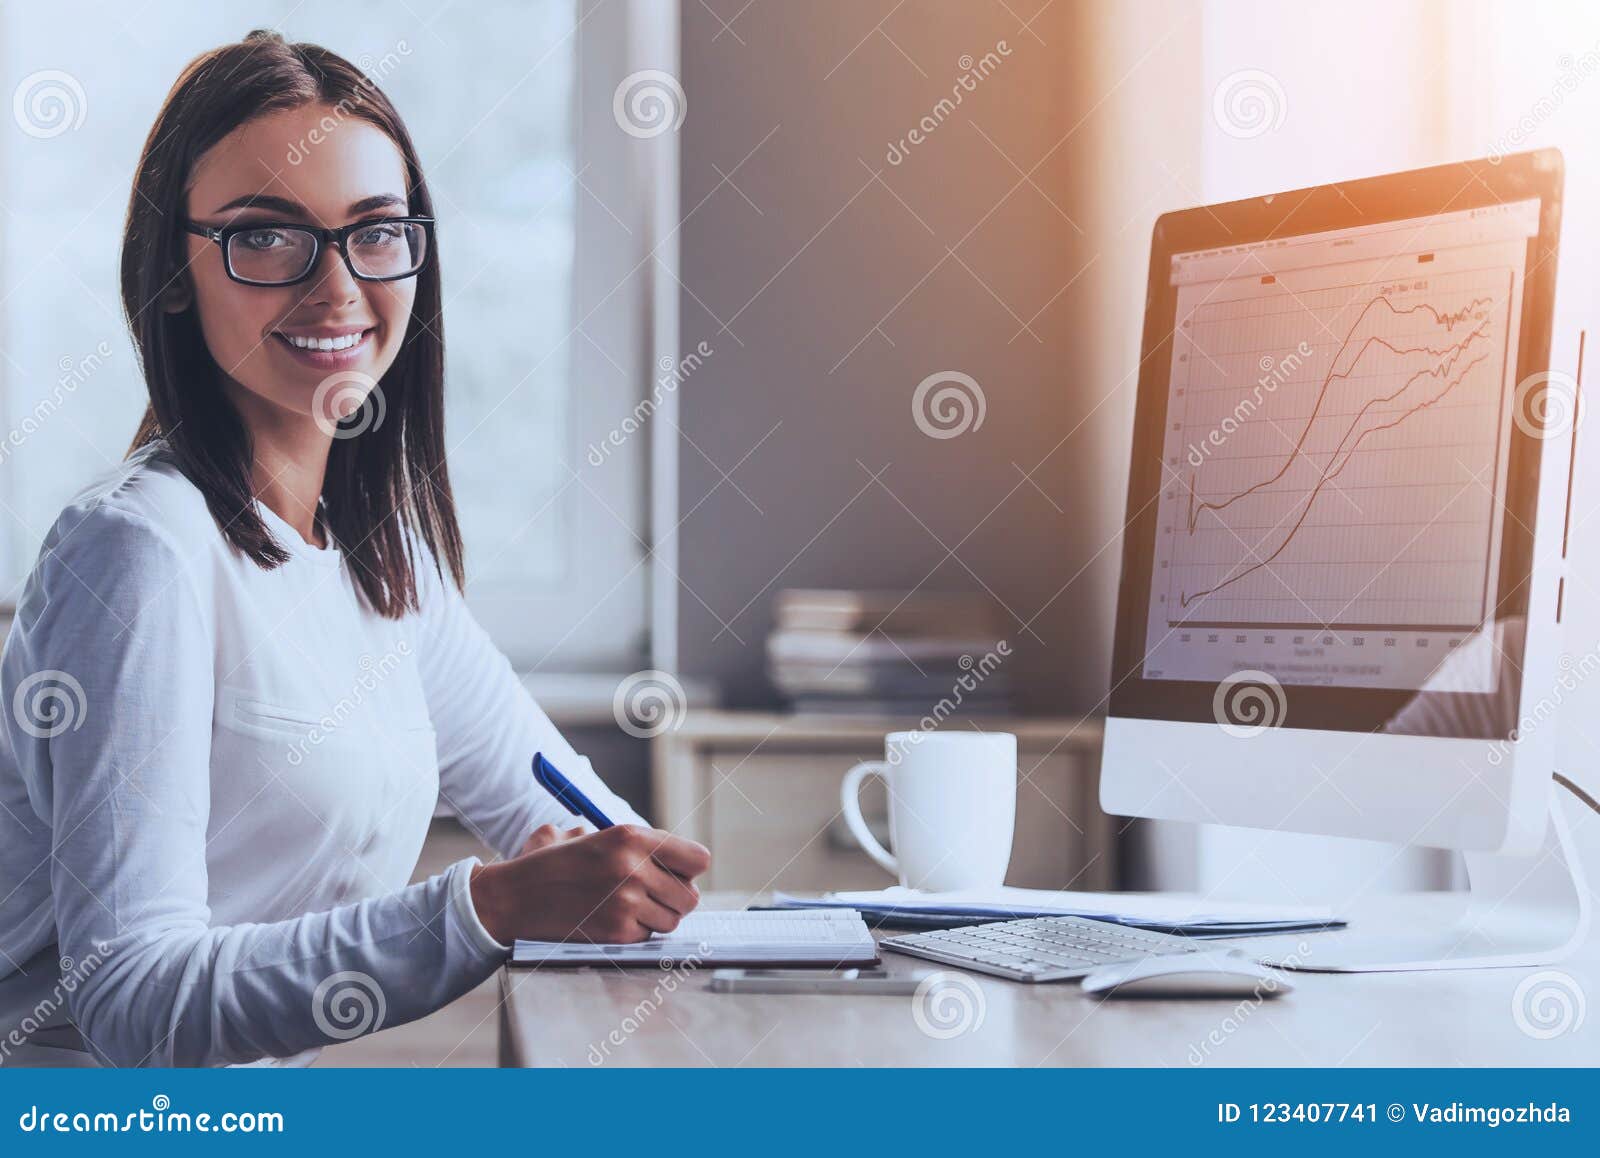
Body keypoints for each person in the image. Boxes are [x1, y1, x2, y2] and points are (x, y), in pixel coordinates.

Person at [0, 29, 709, 1068]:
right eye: (266, 237)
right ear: (173, 275)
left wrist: (626, 870)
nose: (336, 289)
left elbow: (574, 815)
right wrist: (486, 909)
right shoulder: (136, 553)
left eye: (374, 233)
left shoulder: (384, 564)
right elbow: (133, 1001)